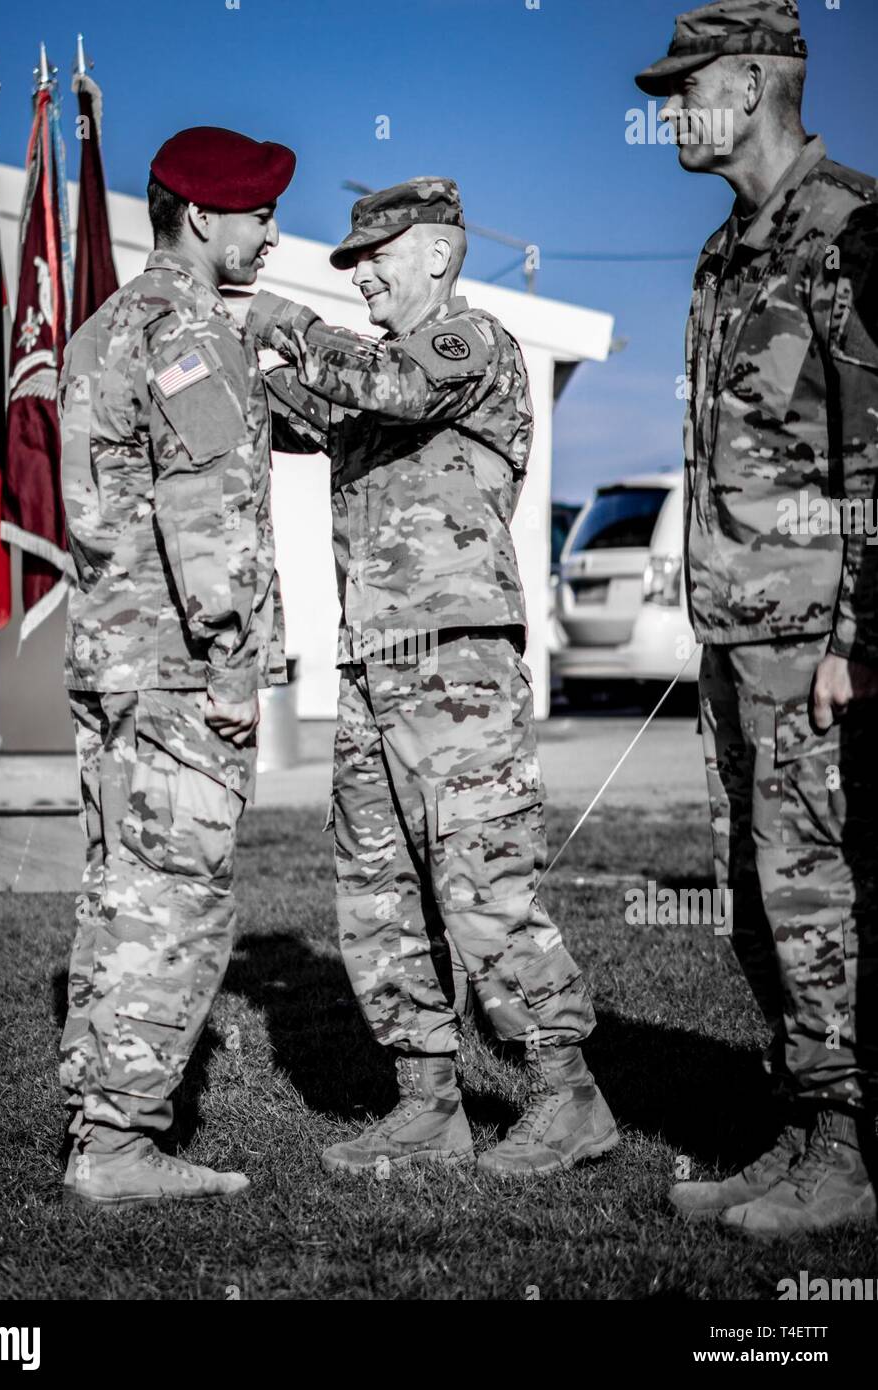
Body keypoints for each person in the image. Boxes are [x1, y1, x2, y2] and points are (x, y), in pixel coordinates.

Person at [248, 177, 618, 1178]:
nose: (359, 274)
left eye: (373, 256)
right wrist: (196, 341)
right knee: (377, 889)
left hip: (457, 659)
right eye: (350, 263)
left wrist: (291, 324)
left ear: (435, 254)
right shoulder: (362, 373)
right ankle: (426, 1102)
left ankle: (563, 1094)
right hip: (372, 661)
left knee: (480, 878)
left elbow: (389, 384)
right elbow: (267, 407)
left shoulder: (468, 344)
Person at [635, 0, 878, 1235]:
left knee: (816, 888)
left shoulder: (850, 228)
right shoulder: (724, 251)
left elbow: (873, 455)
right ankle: (798, 1126)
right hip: (737, 640)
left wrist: (858, 636)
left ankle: (842, 1148)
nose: (667, 107)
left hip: (817, 645)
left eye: (683, 83)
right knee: (755, 887)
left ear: (748, 78)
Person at [58, 125, 295, 1207]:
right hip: (176, 672)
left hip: (115, 664)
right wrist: (235, 663)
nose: (270, 233)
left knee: (117, 897)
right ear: (201, 216)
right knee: (177, 901)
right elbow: (209, 517)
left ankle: (98, 1123)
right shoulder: (188, 330)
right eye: (256, 214)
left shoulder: (104, 325)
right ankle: (118, 1147)